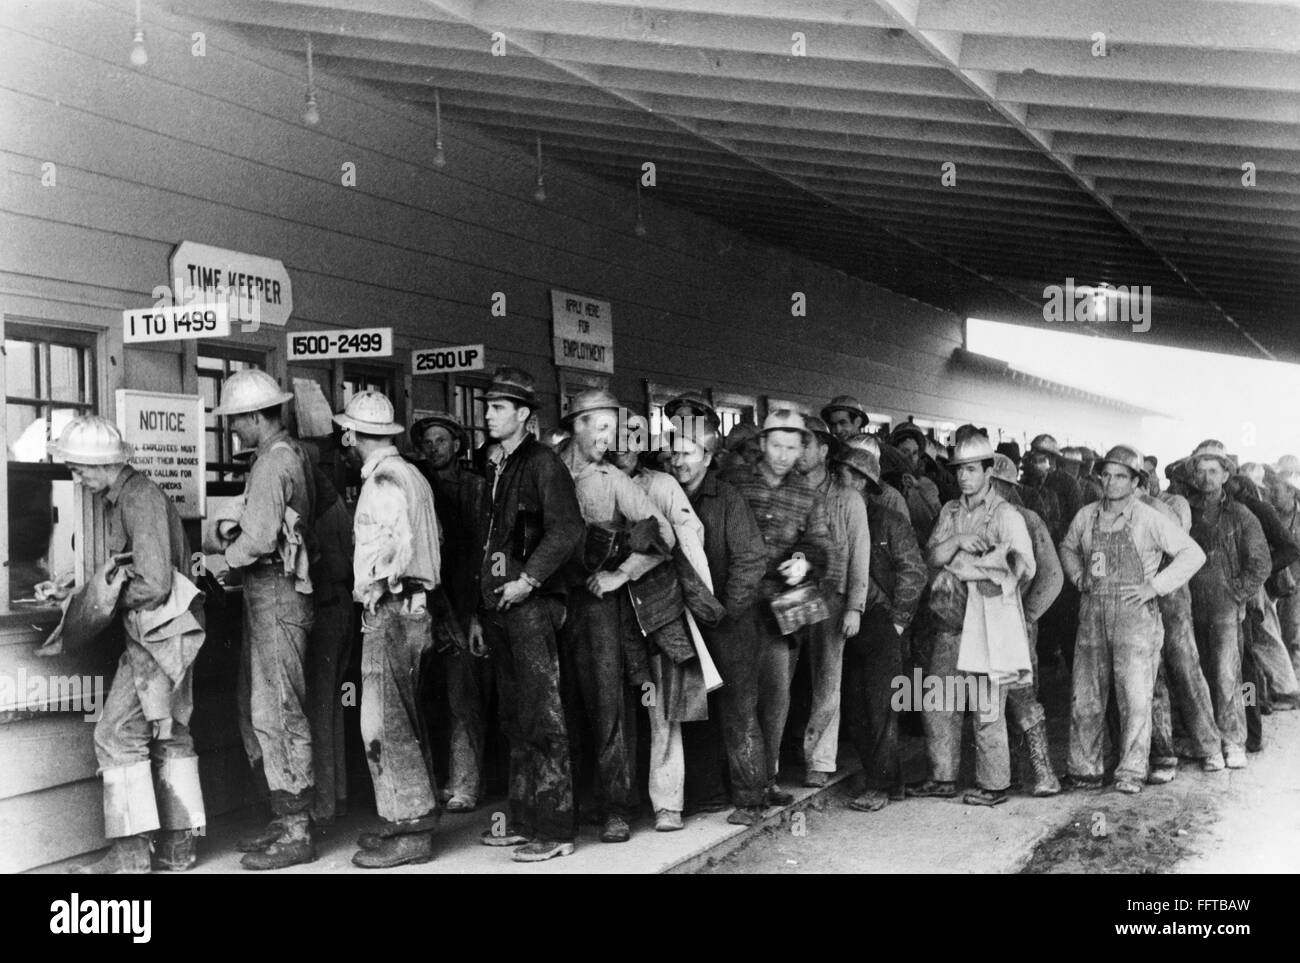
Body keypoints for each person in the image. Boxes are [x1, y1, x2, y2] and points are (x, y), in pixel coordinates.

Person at [39, 417, 206, 873]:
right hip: (167, 632)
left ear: (104, 464)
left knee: (115, 734)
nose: (77, 478)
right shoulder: (130, 497)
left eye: (79, 469)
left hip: (157, 633)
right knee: (170, 733)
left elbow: (151, 582)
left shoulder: (137, 498)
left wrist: (102, 601)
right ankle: (178, 849)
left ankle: (131, 856)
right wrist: (78, 586)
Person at [208, 369, 318, 871]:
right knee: (266, 707)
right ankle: (285, 814)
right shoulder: (286, 456)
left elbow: (257, 540)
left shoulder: (274, 463)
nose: (232, 430)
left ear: (256, 416)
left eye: (236, 421)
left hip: (275, 590)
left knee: (278, 709)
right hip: (271, 592)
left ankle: (297, 829)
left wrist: (217, 557)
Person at [477, 367, 584, 862]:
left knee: (544, 713)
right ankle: (523, 819)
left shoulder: (543, 464)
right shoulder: (494, 464)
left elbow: (566, 530)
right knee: (516, 716)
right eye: (488, 406)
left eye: (499, 407)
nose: (489, 414)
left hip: (532, 606)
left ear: (523, 415)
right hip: (499, 608)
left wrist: (529, 581)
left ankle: (556, 827)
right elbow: (486, 542)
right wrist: (480, 610)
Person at [559, 390, 675, 844]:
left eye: (614, 428)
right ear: (577, 425)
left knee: (607, 705)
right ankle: (567, 805)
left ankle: (615, 808)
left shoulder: (611, 480)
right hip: (550, 603)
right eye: (601, 427)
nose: (609, 438)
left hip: (596, 605)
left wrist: (621, 574)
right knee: (559, 705)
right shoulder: (547, 470)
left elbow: (661, 536)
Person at [334, 392, 444, 868]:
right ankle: (410, 817)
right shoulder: (412, 473)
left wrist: (380, 586)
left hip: (393, 608)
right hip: (415, 609)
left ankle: (410, 830)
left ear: (353, 434)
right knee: (402, 715)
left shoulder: (381, 480)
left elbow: (400, 544)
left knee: (382, 722)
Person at [1059, 445, 1205, 794]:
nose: (1111, 482)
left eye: (1120, 476)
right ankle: (1085, 770)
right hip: (1093, 614)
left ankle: (1131, 771)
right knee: (1086, 696)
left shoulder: (1149, 517)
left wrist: (1156, 586)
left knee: (1136, 698)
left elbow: (1192, 554)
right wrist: (1078, 576)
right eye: (1106, 475)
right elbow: (1066, 547)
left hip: (1135, 618)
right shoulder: (1086, 515)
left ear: (1136, 481)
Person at [911, 434, 1035, 807]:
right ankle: (942, 776)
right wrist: (959, 541)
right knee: (938, 700)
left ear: (988, 472)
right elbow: (932, 556)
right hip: (949, 620)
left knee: (986, 707)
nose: (964, 477)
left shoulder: (1005, 514)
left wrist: (974, 568)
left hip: (986, 623)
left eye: (971, 470)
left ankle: (994, 784)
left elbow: (1025, 566)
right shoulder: (950, 512)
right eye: (959, 470)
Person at [722, 410, 833, 805]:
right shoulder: (733, 481)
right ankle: (740, 782)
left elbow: (822, 545)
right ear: (763, 443)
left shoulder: (808, 493)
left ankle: (766, 779)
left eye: (792, 447)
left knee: (775, 694)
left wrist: (806, 561)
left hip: (782, 606)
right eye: (777, 445)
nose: (784, 455)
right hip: (736, 601)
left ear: (803, 447)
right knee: (738, 694)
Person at [671, 424, 768, 826]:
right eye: (673, 453)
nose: (679, 461)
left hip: (731, 624)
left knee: (739, 711)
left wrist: (727, 609)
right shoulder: (667, 497)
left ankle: (750, 799)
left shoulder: (727, 499)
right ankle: (709, 793)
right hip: (686, 622)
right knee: (695, 710)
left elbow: (751, 558)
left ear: (709, 458)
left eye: (688, 453)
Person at [833, 446, 925, 812]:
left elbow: (914, 572)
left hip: (881, 623)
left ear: (862, 482)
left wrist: (899, 622)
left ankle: (879, 785)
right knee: (857, 709)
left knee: (881, 710)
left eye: (843, 475)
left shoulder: (889, 521)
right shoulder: (837, 516)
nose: (838, 481)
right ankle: (892, 781)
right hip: (849, 622)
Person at [411, 412, 491, 813]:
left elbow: (482, 549)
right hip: (427, 602)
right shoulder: (416, 483)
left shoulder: (475, 487)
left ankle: (466, 783)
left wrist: (476, 612)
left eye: (441, 440)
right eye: (427, 441)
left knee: (463, 697)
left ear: (457, 445)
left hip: (462, 602)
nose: (433, 447)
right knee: (429, 697)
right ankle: (436, 781)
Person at [1186, 441, 1270, 768]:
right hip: (1191, 604)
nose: (1207, 478)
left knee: (1228, 675)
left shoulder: (1241, 514)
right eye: (1201, 471)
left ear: (1225, 475)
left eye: (1213, 471)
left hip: (1226, 608)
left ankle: (1234, 742)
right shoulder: (1184, 511)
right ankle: (1207, 744)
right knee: (1197, 675)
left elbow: (1260, 562)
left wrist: (1238, 592)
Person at [797, 415, 870, 788]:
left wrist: (855, 606)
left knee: (827, 680)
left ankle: (819, 759)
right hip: (790, 598)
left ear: (824, 450)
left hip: (831, 598)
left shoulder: (847, 498)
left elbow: (861, 554)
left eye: (804, 443)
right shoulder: (785, 492)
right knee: (787, 680)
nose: (796, 450)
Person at [1136, 485, 1223, 780]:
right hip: (1141, 599)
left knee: (1185, 668)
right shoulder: (1109, 510)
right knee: (1153, 673)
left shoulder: (1160, 507)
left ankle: (1209, 746)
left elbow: (1183, 553)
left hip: (1170, 596)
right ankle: (1162, 755)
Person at [988, 454, 1062, 796]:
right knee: (990, 701)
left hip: (1014, 624)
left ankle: (1044, 774)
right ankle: (1010, 774)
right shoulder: (971, 518)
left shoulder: (1026, 519)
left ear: (1004, 485)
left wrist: (1027, 616)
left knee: (1021, 699)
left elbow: (1052, 575)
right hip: (980, 623)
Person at [302, 441, 355, 827]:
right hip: (343, 610)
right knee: (333, 707)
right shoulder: (335, 499)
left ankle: (321, 805)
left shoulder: (316, 507)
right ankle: (336, 795)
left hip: (325, 610)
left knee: (319, 708)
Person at [1267, 466, 1300, 676]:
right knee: (1272, 634)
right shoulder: (1270, 514)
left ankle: (1293, 686)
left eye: (1276, 489)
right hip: (1271, 584)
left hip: (1295, 587)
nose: (1272, 493)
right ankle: (1277, 684)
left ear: (1291, 491)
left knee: (1292, 634)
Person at [889, 422, 943, 543]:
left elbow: (939, 518)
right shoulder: (886, 484)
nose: (910, 458)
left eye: (914, 453)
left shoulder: (926, 484)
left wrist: (919, 487)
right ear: (893, 452)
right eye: (904, 452)